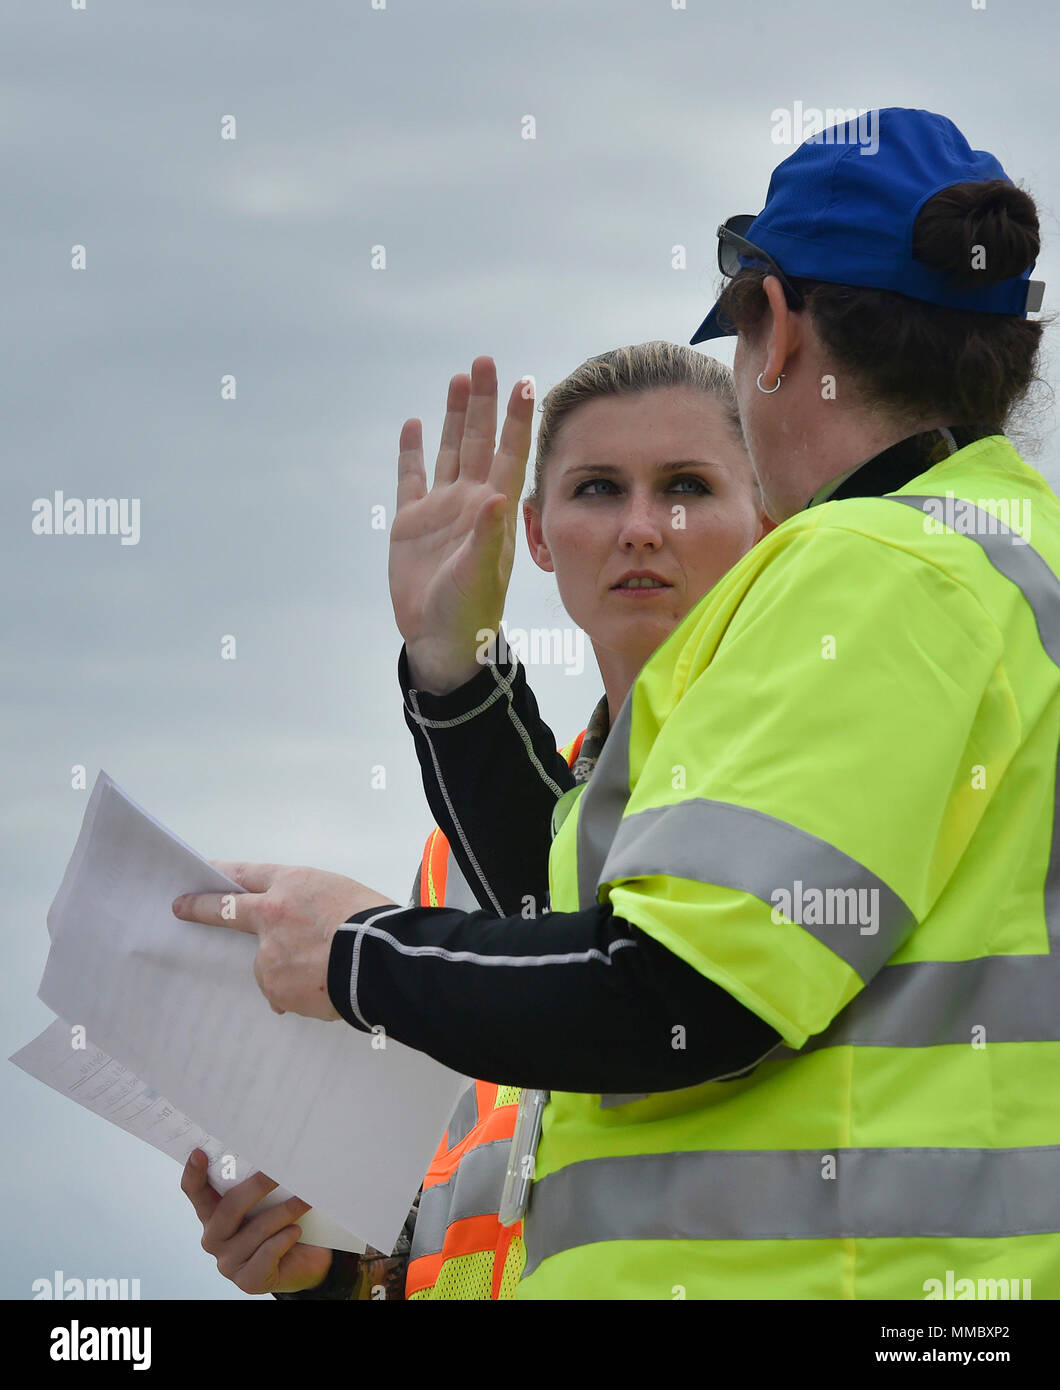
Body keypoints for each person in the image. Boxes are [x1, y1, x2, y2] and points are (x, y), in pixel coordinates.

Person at [177, 106, 1060, 1299]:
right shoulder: (997, 558)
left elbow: (679, 997)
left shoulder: (879, 564)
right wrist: (457, 672)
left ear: (781, 329)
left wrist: (354, 955)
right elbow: (582, 911)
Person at [178, 343, 772, 1297]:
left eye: (688, 487)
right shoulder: (450, 869)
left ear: (770, 520)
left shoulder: (791, 800)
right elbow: (469, 1216)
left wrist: (355, 953)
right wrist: (335, 1268)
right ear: (535, 535)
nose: (640, 528)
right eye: (597, 490)